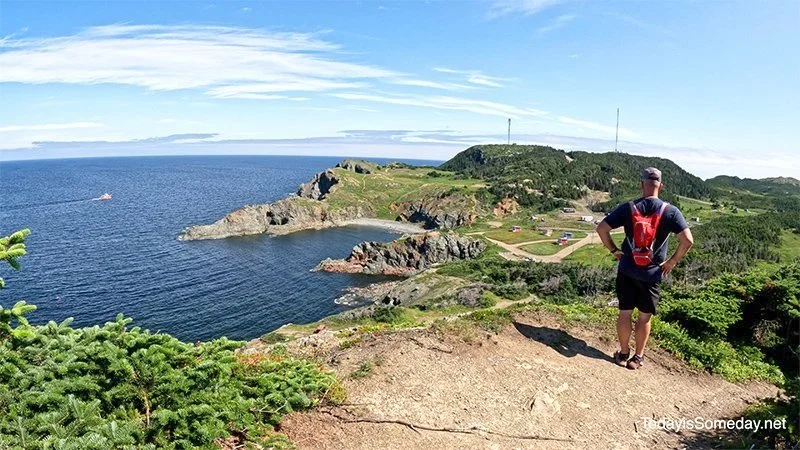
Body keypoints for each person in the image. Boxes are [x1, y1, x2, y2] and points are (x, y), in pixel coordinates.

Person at [596, 167, 694, 370]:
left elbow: (602, 229)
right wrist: (672, 262)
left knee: (625, 313)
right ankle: (637, 358)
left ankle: (623, 354)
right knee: (644, 317)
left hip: (627, 269)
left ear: (642, 184)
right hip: (652, 274)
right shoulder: (671, 211)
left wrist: (614, 250)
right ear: (661, 186)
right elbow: (687, 241)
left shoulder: (628, 207)